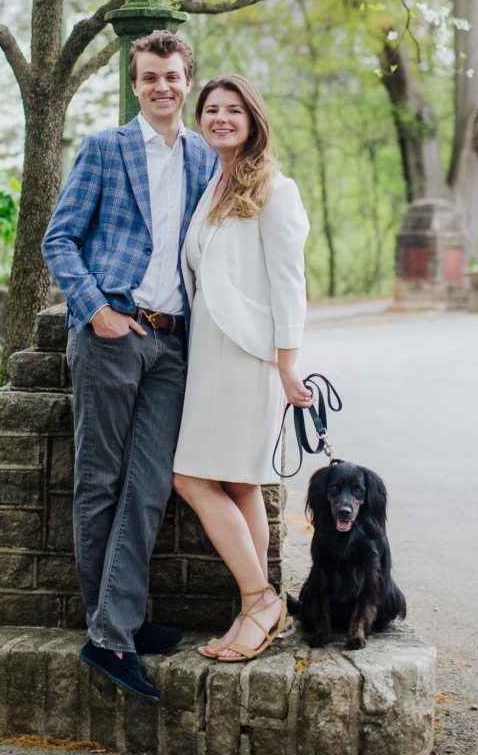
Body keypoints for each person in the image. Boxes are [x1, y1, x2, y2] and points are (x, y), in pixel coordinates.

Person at [41, 30, 217, 701]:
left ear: (186, 79)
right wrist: (94, 311)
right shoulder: (105, 149)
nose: (162, 87)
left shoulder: (206, 157)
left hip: (172, 346)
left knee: (149, 486)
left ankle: (117, 622)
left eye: (172, 76)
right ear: (135, 84)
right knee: (100, 484)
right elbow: (59, 238)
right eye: (149, 77)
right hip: (112, 332)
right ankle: (113, 633)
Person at [172, 74, 312, 663]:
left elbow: (289, 283)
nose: (220, 118)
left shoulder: (275, 189)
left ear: (252, 119)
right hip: (207, 351)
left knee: (190, 478)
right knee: (238, 481)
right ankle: (256, 606)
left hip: (249, 356)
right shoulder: (212, 184)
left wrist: (287, 365)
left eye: (233, 110)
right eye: (211, 109)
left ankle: (260, 599)